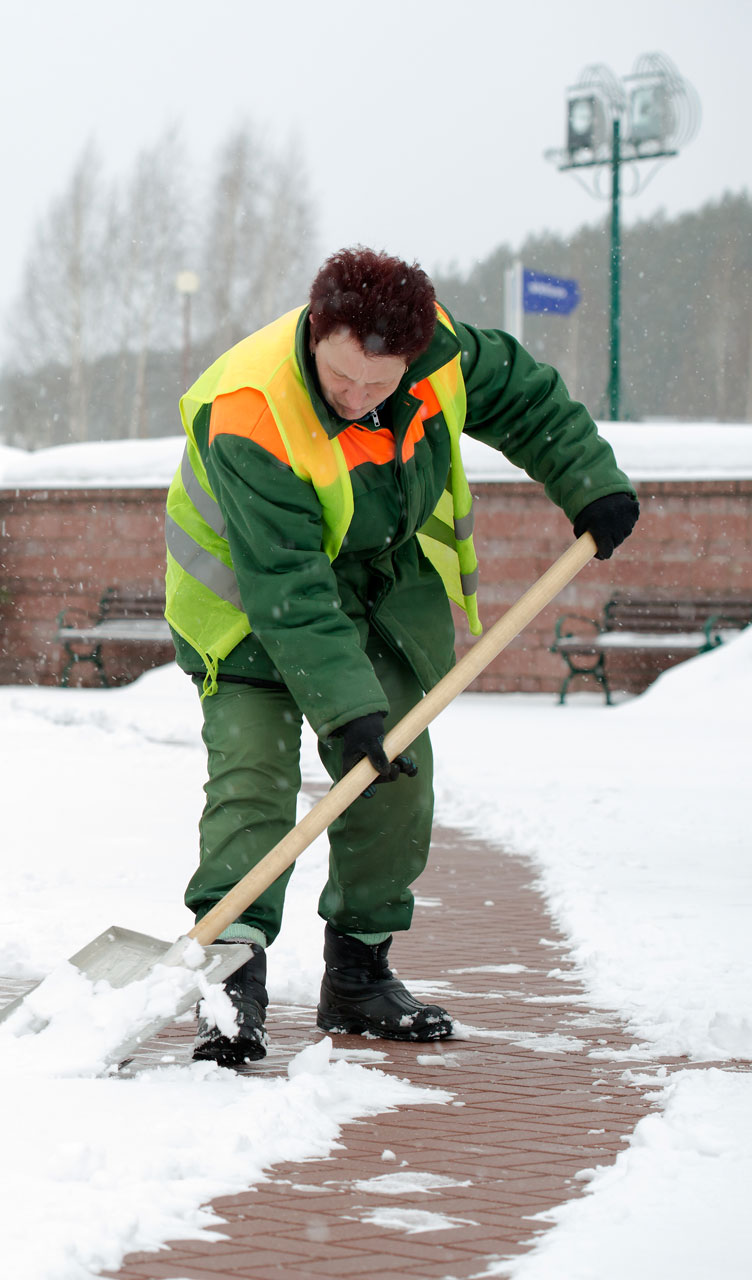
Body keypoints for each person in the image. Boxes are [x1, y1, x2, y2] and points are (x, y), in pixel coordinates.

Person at [163, 247, 638, 1065]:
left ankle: (358, 974)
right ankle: (230, 981)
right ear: (317, 331)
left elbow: (527, 400)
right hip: (247, 603)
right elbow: (288, 586)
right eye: (343, 378)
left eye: (379, 386)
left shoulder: (443, 357)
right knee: (253, 782)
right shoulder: (251, 407)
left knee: (392, 778)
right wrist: (346, 712)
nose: (356, 399)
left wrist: (588, 480)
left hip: (376, 592)